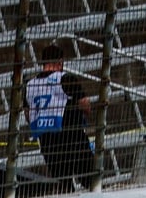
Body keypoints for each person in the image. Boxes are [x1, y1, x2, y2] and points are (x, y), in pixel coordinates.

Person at [24, 43, 94, 190]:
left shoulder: (30, 85)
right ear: (60, 62)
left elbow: (28, 115)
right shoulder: (65, 79)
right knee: (90, 180)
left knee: (64, 183)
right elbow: (85, 105)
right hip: (73, 137)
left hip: (47, 141)